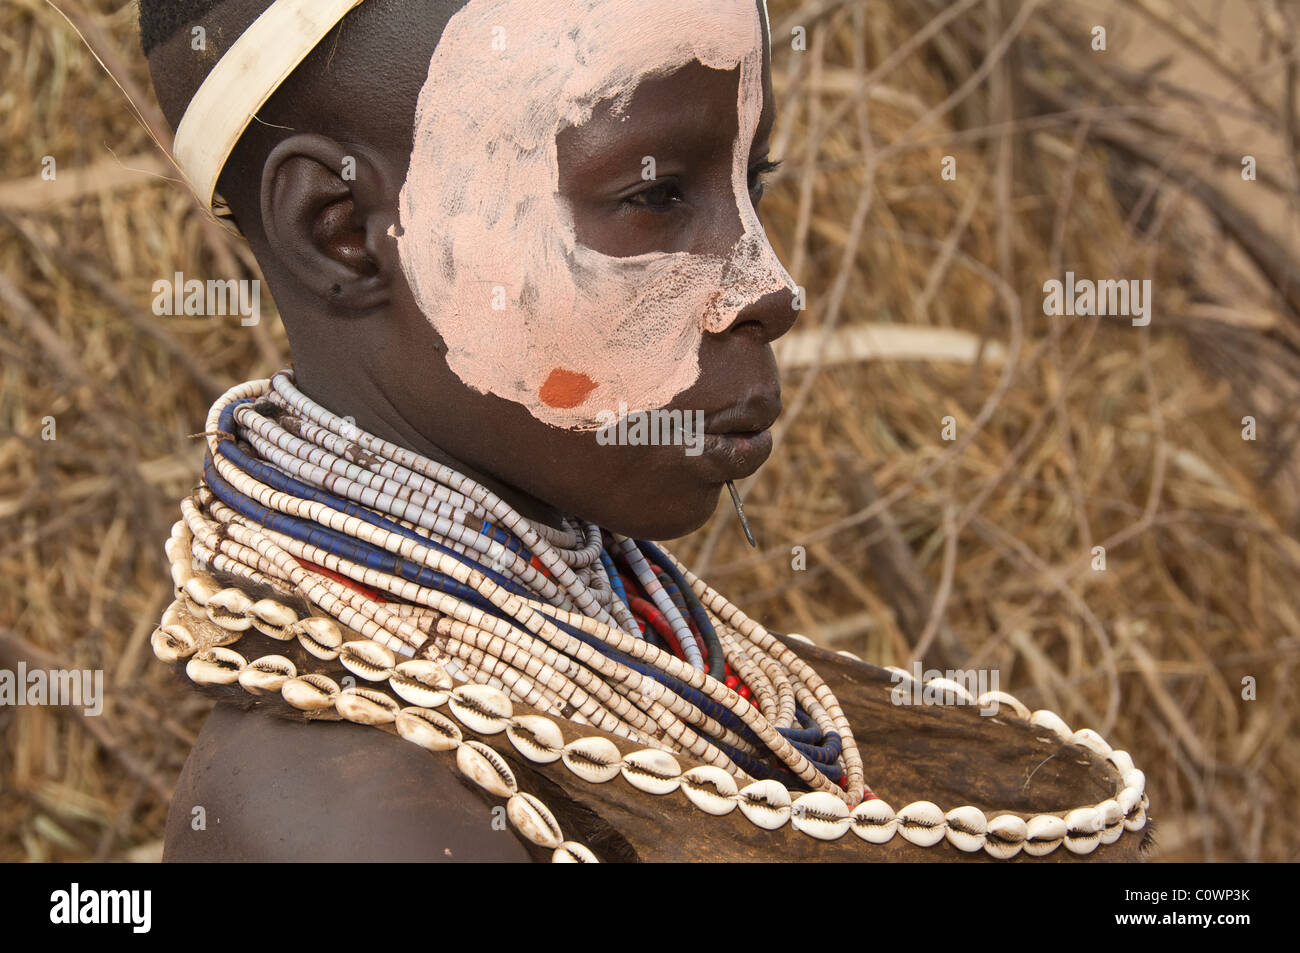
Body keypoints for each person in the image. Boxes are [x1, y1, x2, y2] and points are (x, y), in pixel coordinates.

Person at [141, 0, 1152, 862]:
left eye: (752, 185)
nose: (771, 287)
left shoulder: (668, 675)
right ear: (347, 230)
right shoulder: (341, 820)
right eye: (655, 196)